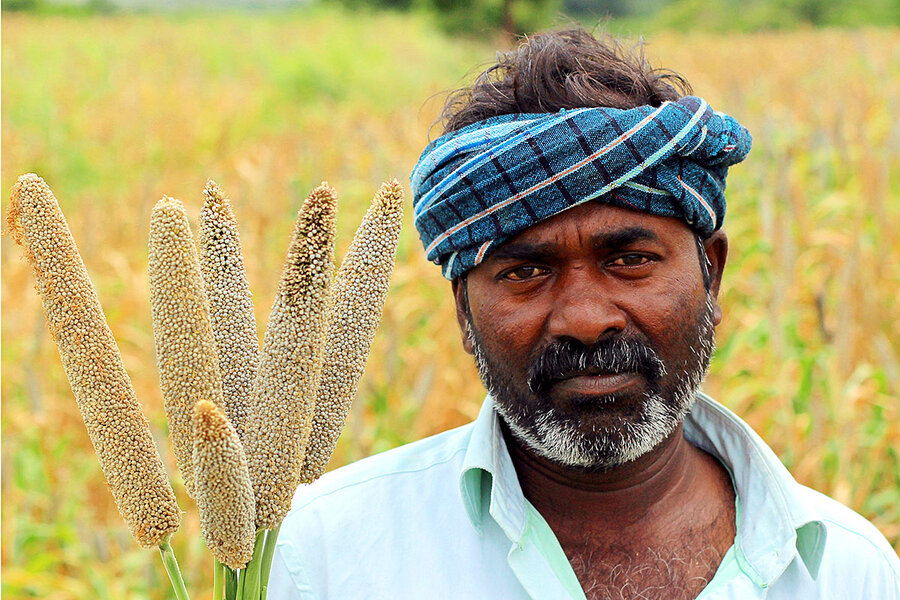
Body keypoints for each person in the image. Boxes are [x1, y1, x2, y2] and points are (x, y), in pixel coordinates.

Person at [267, 29, 899, 599]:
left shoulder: (848, 572)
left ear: (712, 274)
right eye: (525, 272)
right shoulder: (328, 554)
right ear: (463, 310)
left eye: (629, 259)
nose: (586, 319)